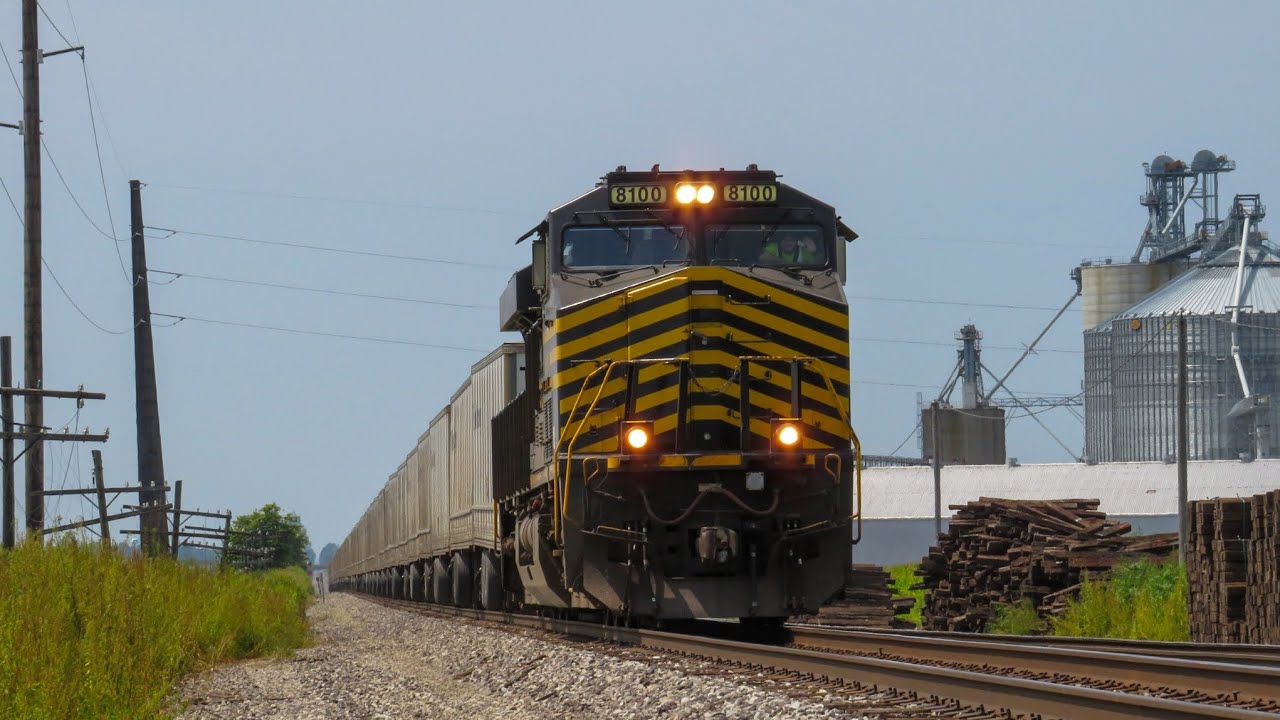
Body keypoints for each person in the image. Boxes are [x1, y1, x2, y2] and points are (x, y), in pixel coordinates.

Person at [759, 228, 823, 265]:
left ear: (797, 242)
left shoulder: (804, 251)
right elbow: (762, 258)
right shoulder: (773, 247)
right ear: (779, 241)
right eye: (784, 240)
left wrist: (815, 252)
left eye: (791, 240)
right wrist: (785, 262)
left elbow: (818, 264)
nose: (788, 243)